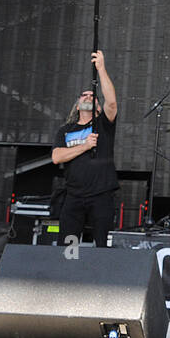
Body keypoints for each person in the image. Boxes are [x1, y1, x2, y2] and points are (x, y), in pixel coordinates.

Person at [51, 51, 119, 247]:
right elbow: (57, 157)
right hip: (74, 197)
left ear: (98, 106)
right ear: (78, 104)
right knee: (68, 247)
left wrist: (101, 69)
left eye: (93, 95)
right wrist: (85, 146)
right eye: (85, 94)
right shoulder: (66, 130)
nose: (89, 96)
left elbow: (112, 102)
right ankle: (66, 276)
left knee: (101, 247)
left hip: (101, 196)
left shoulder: (103, 125)